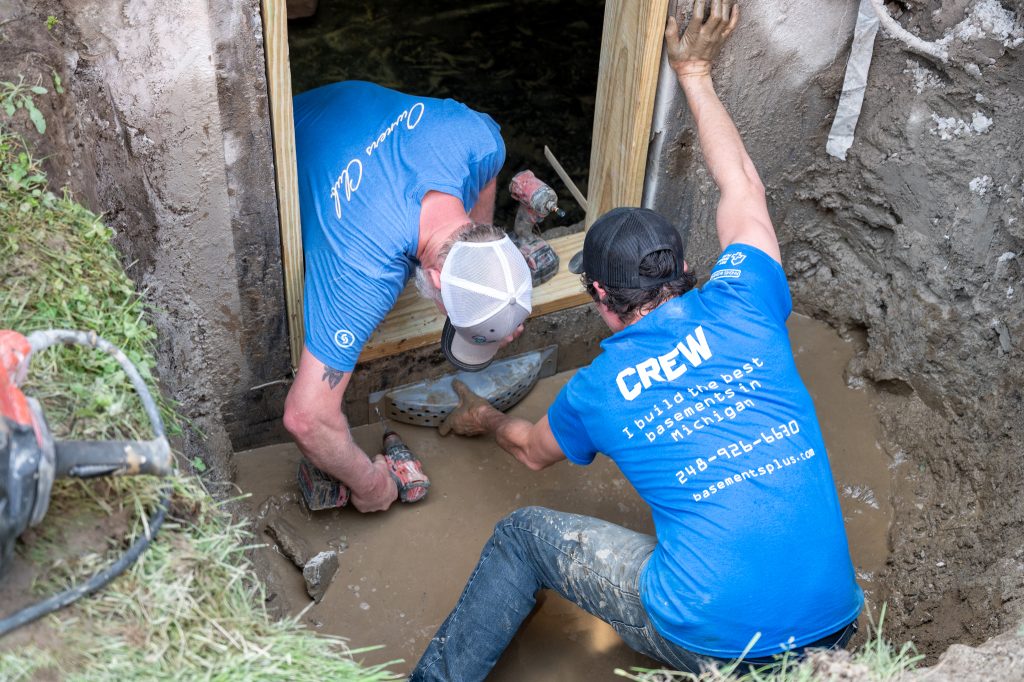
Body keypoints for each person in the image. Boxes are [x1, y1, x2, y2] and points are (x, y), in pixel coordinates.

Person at [409, 1, 863, 678]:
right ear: (683, 271)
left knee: (523, 537)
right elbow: (743, 187)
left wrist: (490, 418)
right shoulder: (747, 298)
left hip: (713, 646)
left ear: (596, 297)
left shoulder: (595, 391)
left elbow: (533, 455)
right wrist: (695, 71)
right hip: (840, 628)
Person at [284, 81, 532, 512]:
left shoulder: (477, 139)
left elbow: (488, 171)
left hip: (323, 106)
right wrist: (371, 487)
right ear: (434, 281)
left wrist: (481, 282)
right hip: (281, 142)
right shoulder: (365, 274)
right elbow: (306, 417)